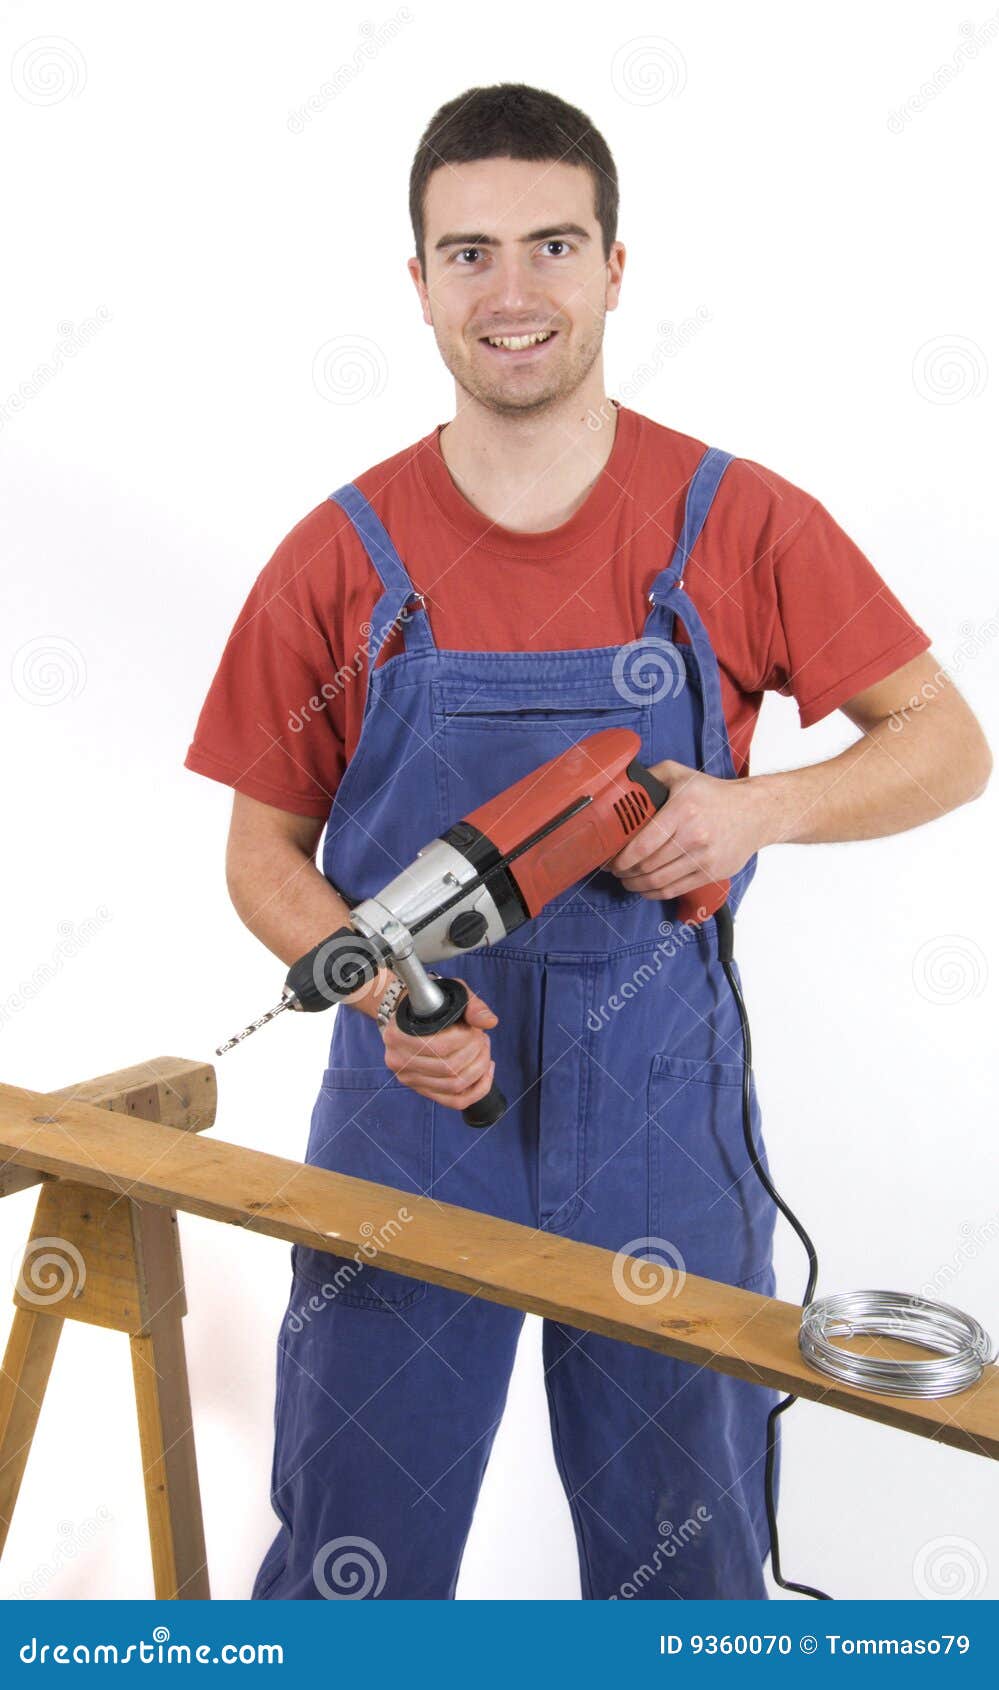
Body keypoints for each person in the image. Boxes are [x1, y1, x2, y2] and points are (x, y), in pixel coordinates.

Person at [184, 83, 991, 1601]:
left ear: (616, 267)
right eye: (470, 252)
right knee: (357, 1561)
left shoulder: (740, 521)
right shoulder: (338, 556)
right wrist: (389, 993)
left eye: (553, 245)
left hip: (662, 1122)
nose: (514, 291)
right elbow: (259, 856)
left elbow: (949, 743)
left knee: (684, 1575)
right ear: (418, 282)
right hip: (416, 1111)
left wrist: (754, 808)